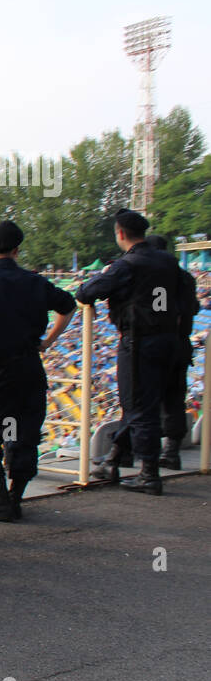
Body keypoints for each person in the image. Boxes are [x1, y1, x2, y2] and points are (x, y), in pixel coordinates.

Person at [0, 220, 75, 519]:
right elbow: (68, 305)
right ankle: (16, 497)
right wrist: (47, 342)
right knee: (24, 433)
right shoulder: (36, 282)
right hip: (30, 369)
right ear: (17, 250)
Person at [77, 210, 192, 495]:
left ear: (120, 234)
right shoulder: (169, 262)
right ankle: (118, 459)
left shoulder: (127, 265)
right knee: (149, 404)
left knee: (139, 407)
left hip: (140, 342)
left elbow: (85, 294)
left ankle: (149, 474)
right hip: (170, 340)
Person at [107, 233, 200, 470]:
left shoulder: (145, 275)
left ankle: (123, 456)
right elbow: (193, 307)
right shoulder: (185, 278)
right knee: (174, 399)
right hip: (178, 345)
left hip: (149, 344)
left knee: (137, 403)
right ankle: (170, 453)